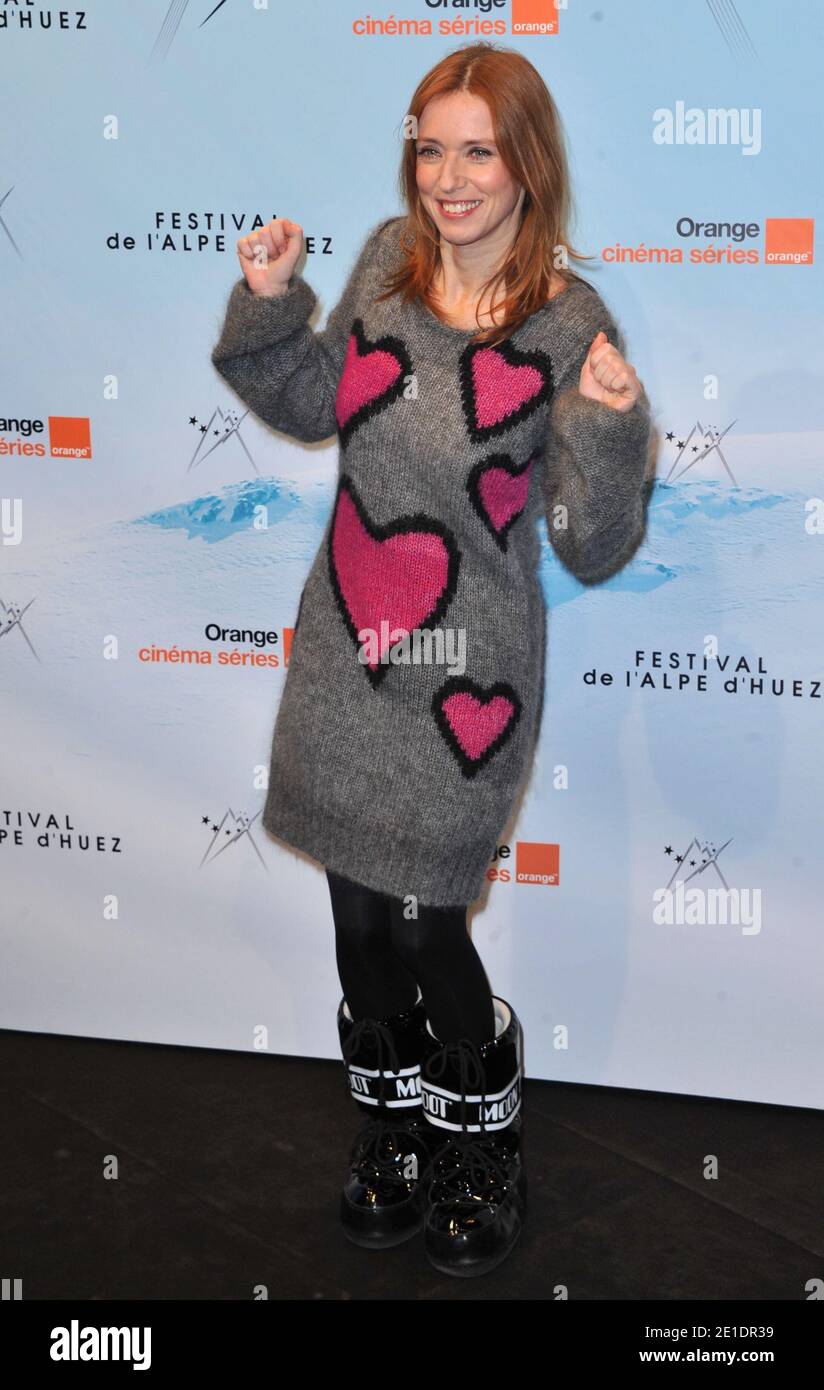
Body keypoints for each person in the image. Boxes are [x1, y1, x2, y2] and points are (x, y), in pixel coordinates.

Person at [211, 41, 653, 1279]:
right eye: (429, 144)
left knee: (421, 926)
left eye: (477, 150)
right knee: (360, 928)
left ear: (527, 165)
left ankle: (478, 1144)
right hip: (345, 659)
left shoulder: (568, 324)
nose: (447, 177)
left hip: (467, 679)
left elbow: (588, 536)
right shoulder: (383, 270)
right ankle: (394, 1133)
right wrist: (269, 299)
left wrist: (610, 436)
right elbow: (309, 401)